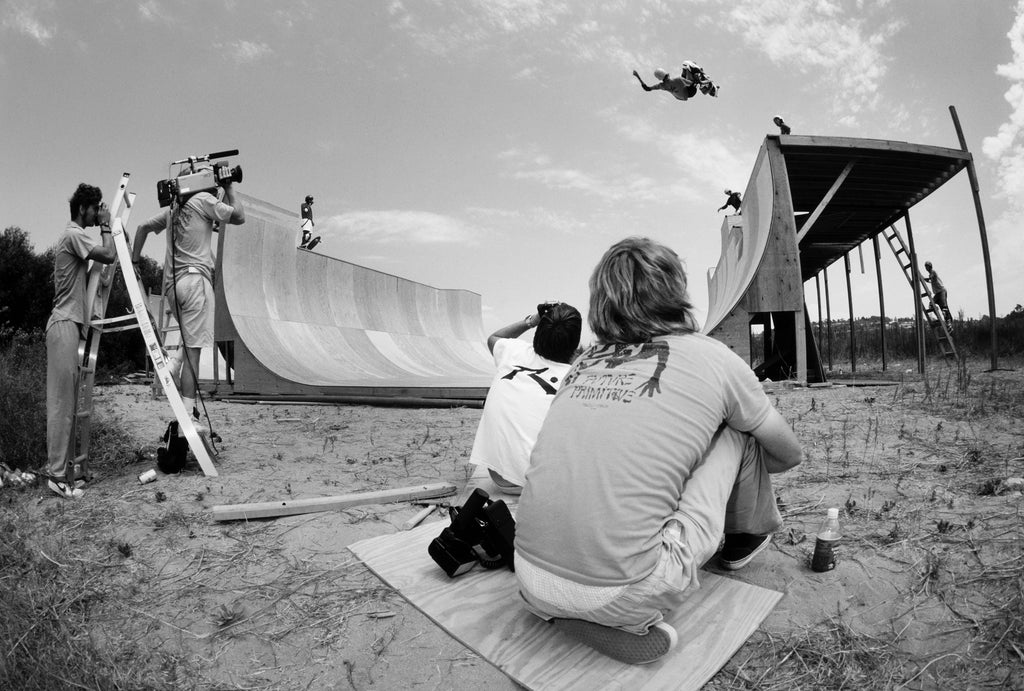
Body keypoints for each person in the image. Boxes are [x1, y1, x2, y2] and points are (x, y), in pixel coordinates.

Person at [513, 237, 803, 664]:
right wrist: (735, 467)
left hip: (528, 576)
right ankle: (745, 538)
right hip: (629, 590)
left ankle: (561, 611)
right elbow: (789, 453)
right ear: (675, 290)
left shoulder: (582, 364)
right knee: (739, 430)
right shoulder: (714, 358)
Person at [133, 165, 245, 431]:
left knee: (189, 339)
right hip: (195, 283)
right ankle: (188, 417)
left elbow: (142, 227)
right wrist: (229, 187)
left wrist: (135, 261)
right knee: (194, 355)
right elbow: (239, 216)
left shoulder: (173, 209)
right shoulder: (203, 200)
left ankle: (174, 363)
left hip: (173, 288)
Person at [44, 184, 117, 498]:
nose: (97, 212)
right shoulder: (73, 234)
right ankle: (56, 476)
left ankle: (63, 473)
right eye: (94, 208)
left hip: (69, 326)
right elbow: (108, 254)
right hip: (63, 325)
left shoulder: (74, 238)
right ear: (83, 208)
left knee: (68, 405)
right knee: (61, 405)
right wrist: (106, 225)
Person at [469, 302, 582, 495]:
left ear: (539, 332)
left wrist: (531, 321)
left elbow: (494, 338)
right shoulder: (575, 378)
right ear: (574, 344)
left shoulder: (514, 352)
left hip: (500, 477)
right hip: (540, 482)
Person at [632, 63, 718, 101]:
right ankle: (707, 89)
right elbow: (692, 83)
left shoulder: (662, 85)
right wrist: (703, 80)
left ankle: (703, 86)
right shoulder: (678, 80)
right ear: (667, 74)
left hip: (681, 97)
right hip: (691, 92)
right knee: (693, 78)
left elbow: (647, 88)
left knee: (685, 77)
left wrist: (637, 76)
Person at [923, 261, 953, 328]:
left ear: (930, 266)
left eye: (927, 266)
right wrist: (924, 279)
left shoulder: (933, 272)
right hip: (937, 294)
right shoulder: (930, 275)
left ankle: (949, 322)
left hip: (942, 291)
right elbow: (929, 280)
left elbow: (929, 279)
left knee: (944, 308)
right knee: (931, 305)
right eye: (925, 267)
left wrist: (922, 278)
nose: (926, 268)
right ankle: (939, 318)